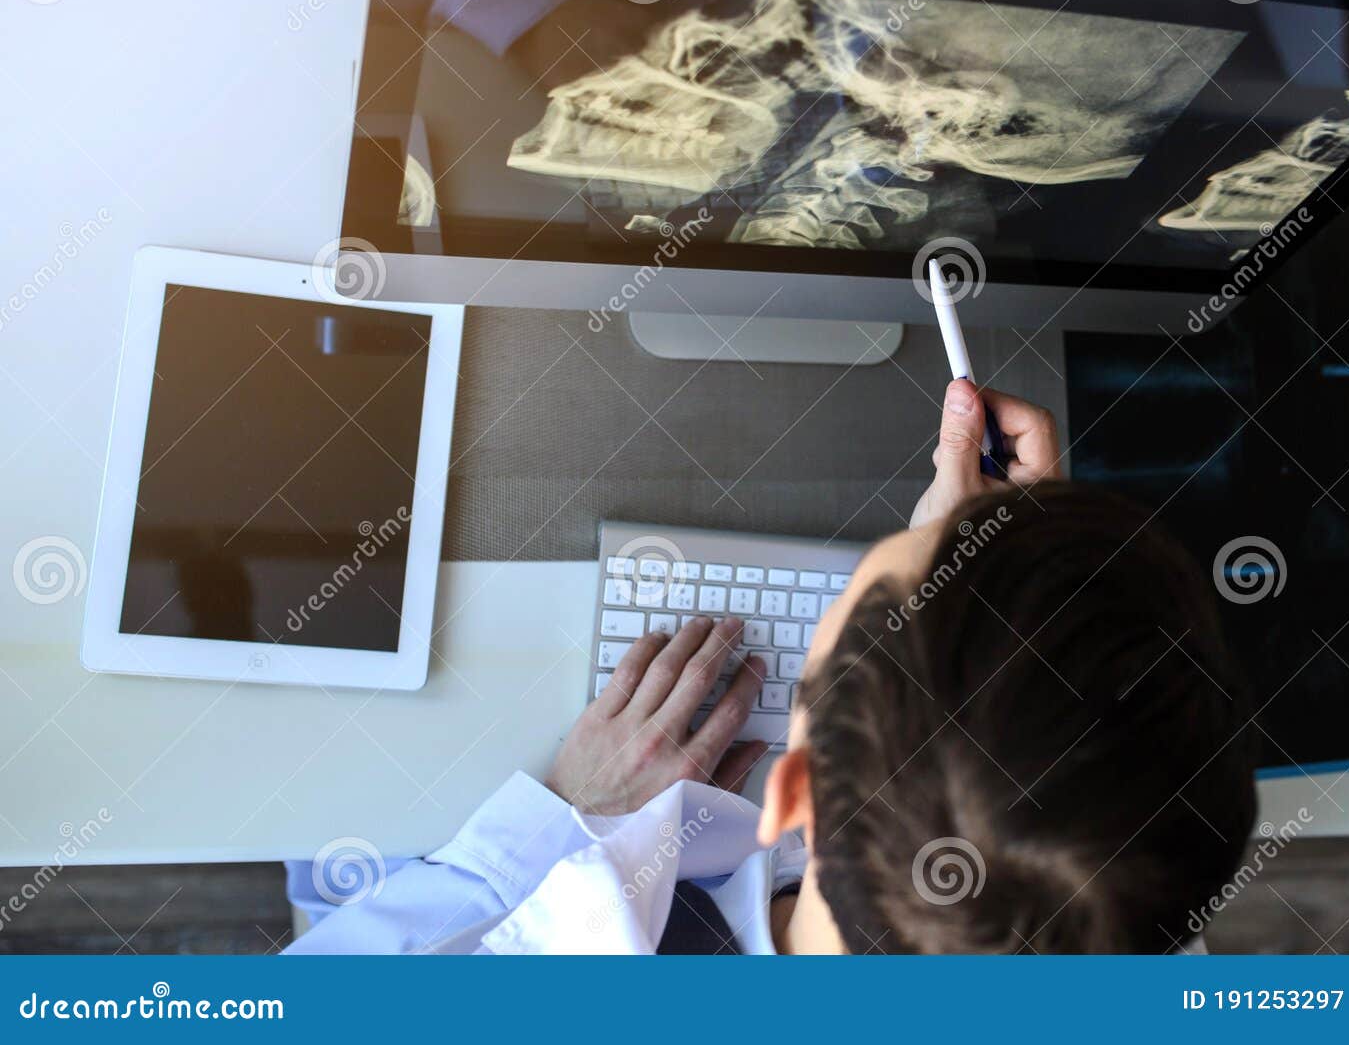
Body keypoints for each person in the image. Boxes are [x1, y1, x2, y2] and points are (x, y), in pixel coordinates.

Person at [287, 379, 1258, 954]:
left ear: (789, 789)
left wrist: (573, 818)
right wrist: (1007, 599)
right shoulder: (1124, 914)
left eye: (842, 614)